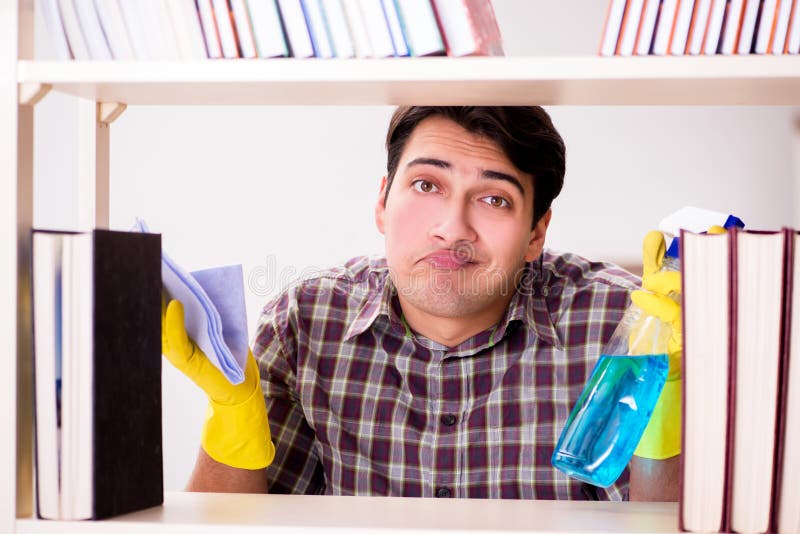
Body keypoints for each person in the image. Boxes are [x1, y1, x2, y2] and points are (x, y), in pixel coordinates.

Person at [162, 106, 681, 501]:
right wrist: (233, 421)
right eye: (427, 184)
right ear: (383, 201)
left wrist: (677, 397)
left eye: (494, 199)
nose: (451, 227)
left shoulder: (624, 324)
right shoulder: (305, 322)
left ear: (535, 233)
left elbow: (659, 521)